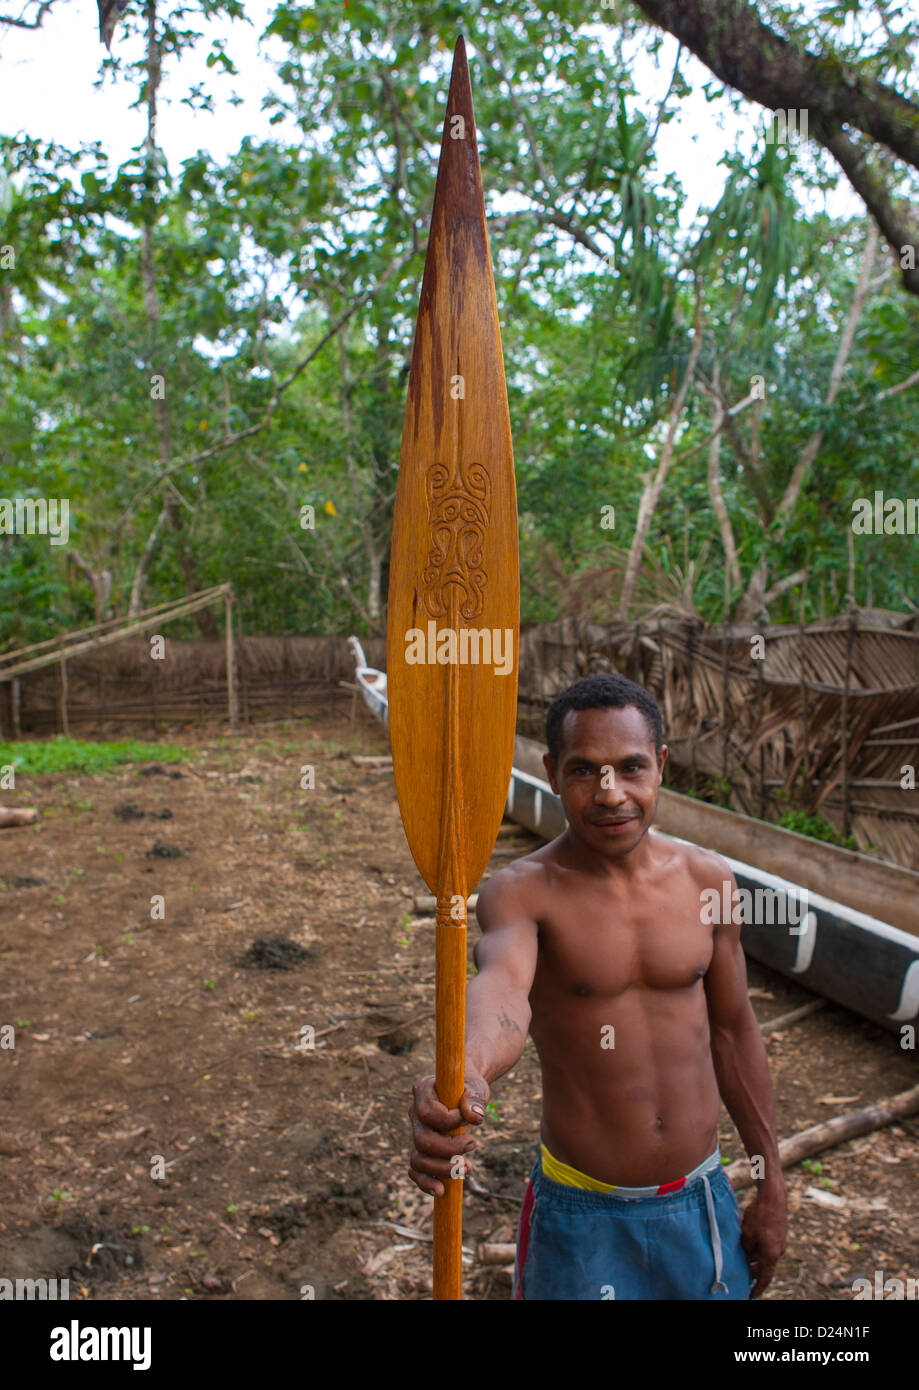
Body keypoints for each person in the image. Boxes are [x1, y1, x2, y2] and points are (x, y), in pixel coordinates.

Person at [408, 672, 787, 1300]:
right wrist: (463, 1074)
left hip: (701, 1195)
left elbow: (733, 1027)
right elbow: (502, 989)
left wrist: (771, 1179)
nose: (611, 794)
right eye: (585, 771)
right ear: (553, 773)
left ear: (660, 765)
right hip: (580, 1213)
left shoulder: (708, 880)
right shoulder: (521, 892)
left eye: (630, 767)